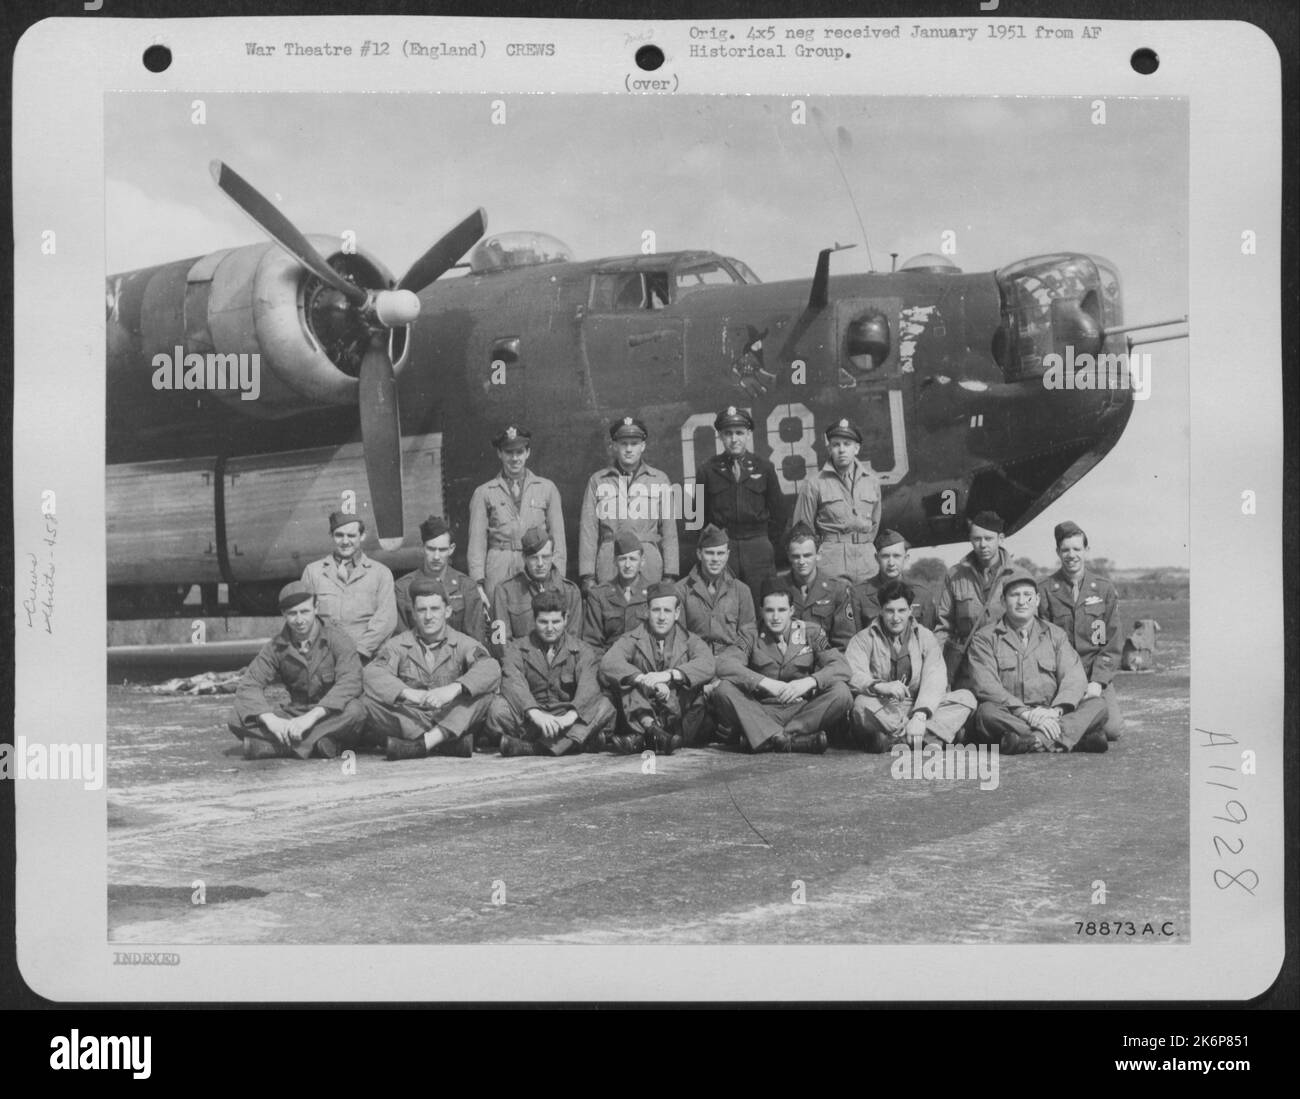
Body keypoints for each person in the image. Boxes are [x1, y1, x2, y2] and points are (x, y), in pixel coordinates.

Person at [966, 569, 1108, 754]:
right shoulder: (984, 638)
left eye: (1028, 595)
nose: (1022, 601)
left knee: (1098, 705)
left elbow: (1074, 677)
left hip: (1053, 712)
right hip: (1013, 713)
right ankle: (1069, 739)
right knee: (986, 713)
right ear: (1003, 601)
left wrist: (1055, 711)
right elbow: (986, 685)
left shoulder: (1055, 634)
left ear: (1038, 600)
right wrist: (1027, 714)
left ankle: (1032, 741)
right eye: (1014, 595)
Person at [361, 577, 501, 760]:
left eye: (435, 609)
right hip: (413, 717)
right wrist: (409, 693)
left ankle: (423, 744)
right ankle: (446, 743)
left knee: (484, 696)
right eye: (422, 610)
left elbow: (491, 668)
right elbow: (373, 673)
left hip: (450, 713)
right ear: (413, 613)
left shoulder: (462, 642)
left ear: (448, 611)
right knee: (365, 702)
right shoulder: (398, 645)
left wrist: (452, 690)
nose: (428, 617)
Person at [226, 581, 368, 760]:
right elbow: (249, 685)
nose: (299, 620)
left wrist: (310, 718)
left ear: (316, 608)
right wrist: (272, 720)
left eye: (305, 611)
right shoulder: (276, 646)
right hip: (296, 713)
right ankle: (318, 744)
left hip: (328, 713)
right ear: (283, 614)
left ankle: (280, 747)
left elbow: (351, 681)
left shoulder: (337, 638)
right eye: (292, 613)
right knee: (236, 717)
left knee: (356, 711)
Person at [712, 578, 852, 753]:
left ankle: (773, 738)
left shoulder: (810, 632)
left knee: (842, 693)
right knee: (724, 689)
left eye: (782, 610)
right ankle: (792, 741)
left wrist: (809, 682)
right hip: (762, 711)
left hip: (802, 711)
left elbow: (841, 666)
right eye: (770, 610)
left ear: (791, 611)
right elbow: (725, 664)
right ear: (761, 611)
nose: (776, 617)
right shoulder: (750, 634)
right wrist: (765, 683)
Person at [844, 580, 976, 753]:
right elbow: (853, 675)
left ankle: (900, 740)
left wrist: (920, 715)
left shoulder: (925, 637)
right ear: (881, 611)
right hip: (884, 707)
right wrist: (880, 686)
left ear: (910, 611)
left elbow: (934, 677)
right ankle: (929, 737)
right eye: (890, 611)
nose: (896, 617)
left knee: (966, 698)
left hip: (918, 704)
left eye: (901, 610)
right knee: (860, 706)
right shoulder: (863, 639)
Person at [485, 590, 617, 757]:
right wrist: (536, 714)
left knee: (605, 705)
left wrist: (569, 717)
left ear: (565, 620)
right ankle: (576, 742)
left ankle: (535, 748)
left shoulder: (583, 650)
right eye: (543, 622)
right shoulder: (516, 649)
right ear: (534, 620)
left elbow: (589, 687)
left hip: (567, 718)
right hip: (532, 720)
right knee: (497, 709)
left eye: (556, 622)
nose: (549, 628)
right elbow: (513, 683)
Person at [599, 581, 716, 754]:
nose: (661, 617)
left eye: (667, 611)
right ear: (647, 611)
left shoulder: (690, 640)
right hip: (642, 708)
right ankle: (653, 732)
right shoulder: (633, 637)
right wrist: (645, 680)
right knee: (628, 681)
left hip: (677, 715)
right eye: (656, 610)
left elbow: (708, 664)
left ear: (676, 613)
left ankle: (644, 739)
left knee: (696, 693)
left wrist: (668, 675)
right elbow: (609, 662)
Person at [1038, 520, 1125, 740]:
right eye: (1065, 549)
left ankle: (1075, 728)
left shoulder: (1104, 589)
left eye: (1077, 549)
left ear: (1086, 550)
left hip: (1094, 673)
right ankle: (1081, 730)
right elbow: (1042, 643)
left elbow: (1112, 643)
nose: (1071, 555)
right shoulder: (1046, 590)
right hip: (1061, 676)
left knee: (1112, 729)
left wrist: (1097, 682)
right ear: (1058, 552)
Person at [466, 424, 567, 602]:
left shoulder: (546, 488)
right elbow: (476, 543)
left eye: (519, 452)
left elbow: (558, 539)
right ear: (499, 453)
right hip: (499, 564)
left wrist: (557, 575)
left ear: (528, 453)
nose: (514, 458)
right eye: (508, 452)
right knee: (499, 616)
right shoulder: (484, 492)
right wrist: (478, 582)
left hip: (536, 563)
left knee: (537, 614)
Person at [695, 405, 784, 604]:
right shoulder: (706, 471)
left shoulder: (765, 467)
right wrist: (715, 546)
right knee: (726, 603)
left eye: (739, 433)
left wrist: (765, 543)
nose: (734, 439)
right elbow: (697, 519)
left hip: (758, 547)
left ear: (748, 434)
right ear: (720, 436)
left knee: (763, 603)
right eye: (728, 433)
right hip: (724, 549)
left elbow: (779, 513)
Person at [578, 416, 679, 589]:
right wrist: (587, 575)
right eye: (624, 443)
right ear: (614, 446)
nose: (629, 449)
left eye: (634, 443)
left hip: (648, 563)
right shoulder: (598, 481)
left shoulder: (659, 480)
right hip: (610, 563)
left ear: (643, 446)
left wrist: (670, 573)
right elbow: (588, 531)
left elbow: (670, 532)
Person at [932, 510, 1018, 686]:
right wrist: (934, 668)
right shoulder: (955, 575)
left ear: (1000, 539)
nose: (982, 544)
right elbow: (944, 626)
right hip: (966, 667)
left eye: (988, 538)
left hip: (1006, 666)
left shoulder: (1017, 575)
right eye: (977, 539)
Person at [791, 417, 882, 584]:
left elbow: (874, 525)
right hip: (831, 563)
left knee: (870, 608)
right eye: (836, 444)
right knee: (838, 608)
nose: (841, 450)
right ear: (829, 448)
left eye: (847, 444)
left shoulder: (872, 482)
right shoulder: (814, 484)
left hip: (867, 562)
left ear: (857, 448)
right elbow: (802, 532)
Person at [300, 511, 398, 662]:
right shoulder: (313, 572)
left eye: (351, 535)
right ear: (331, 535)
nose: (345, 541)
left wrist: (360, 651)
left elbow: (386, 620)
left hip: (367, 659)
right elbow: (304, 617)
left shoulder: (381, 573)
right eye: (339, 535)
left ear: (362, 536)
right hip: (324, 658)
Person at [393, 515, 487, 643]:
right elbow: (401, 640)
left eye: (442, 550)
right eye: (431, 549)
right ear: (422, 547)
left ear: (451, 549)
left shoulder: (466, 586)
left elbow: (475, 639)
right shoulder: (403, 588)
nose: (436, 556)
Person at [489, 525, 582, 653]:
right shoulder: (505, 591)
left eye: (545, 557)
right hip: (520, 666)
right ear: (524, 558)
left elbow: (573, 640)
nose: (540, 563)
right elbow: (500, 644)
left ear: (552, 556)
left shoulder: (570, 591)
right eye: (533, 557)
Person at [674, 524, 755, 655]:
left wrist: (735, 656)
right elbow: (678, 636)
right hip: (696, 659)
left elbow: (749, 634)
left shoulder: (741, 590)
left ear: (727, 555)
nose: (715, 559)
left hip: (732, 659)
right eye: (710, 553)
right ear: (699, 554)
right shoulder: (681, 590)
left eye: (720, 553)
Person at [781, 523, 856, 649]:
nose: (802, 562)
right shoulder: (778, 588)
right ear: (788, 556)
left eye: (807, 555)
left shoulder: (837, 590)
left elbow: (844, 642)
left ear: (818, 554)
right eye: (796, 556)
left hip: (824, 661)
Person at [581, 529, 651, 653]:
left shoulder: (654, 593)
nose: (627, 565)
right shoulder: (599, 595)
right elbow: (592, 644)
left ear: (642, 562)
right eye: (623, 559)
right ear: (614, 561)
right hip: (610, 664)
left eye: (633, 559)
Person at [850, 529, 936, 630]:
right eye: (885, 556)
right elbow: (855, 639)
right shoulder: (859, 594)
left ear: (906, 558)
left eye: (896, 556)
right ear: (876, 558)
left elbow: (928, 638)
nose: (891, 563)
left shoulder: (922, 595)